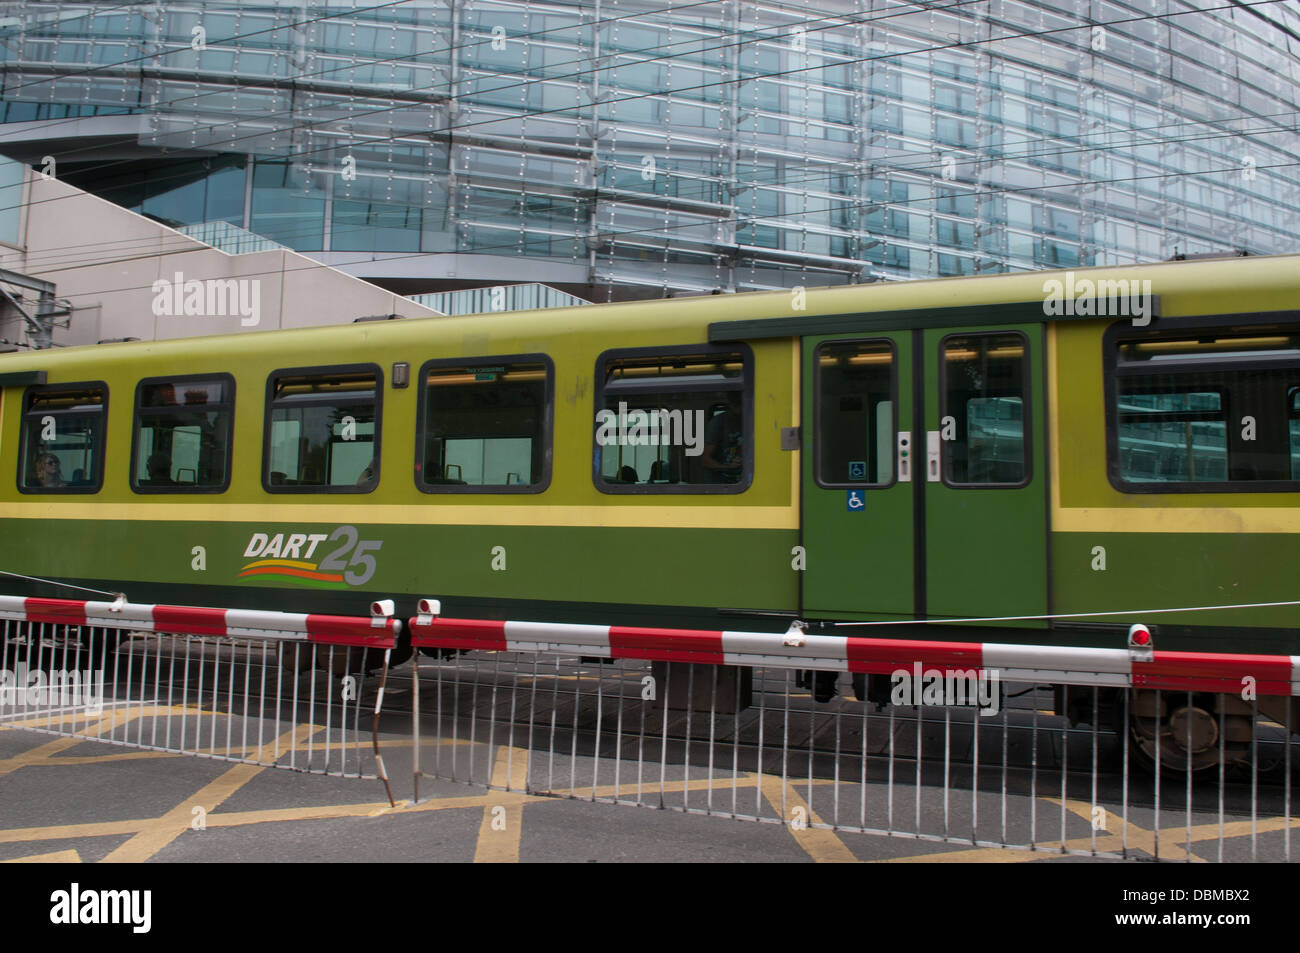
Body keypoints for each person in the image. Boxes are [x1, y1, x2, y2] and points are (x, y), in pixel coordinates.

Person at [701, 392, 743, 483]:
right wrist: (728, 467)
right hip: (719, 484)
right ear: (731, 405)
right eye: (739, 405)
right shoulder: (718, 423)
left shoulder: (748, 420)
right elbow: (705, 460)